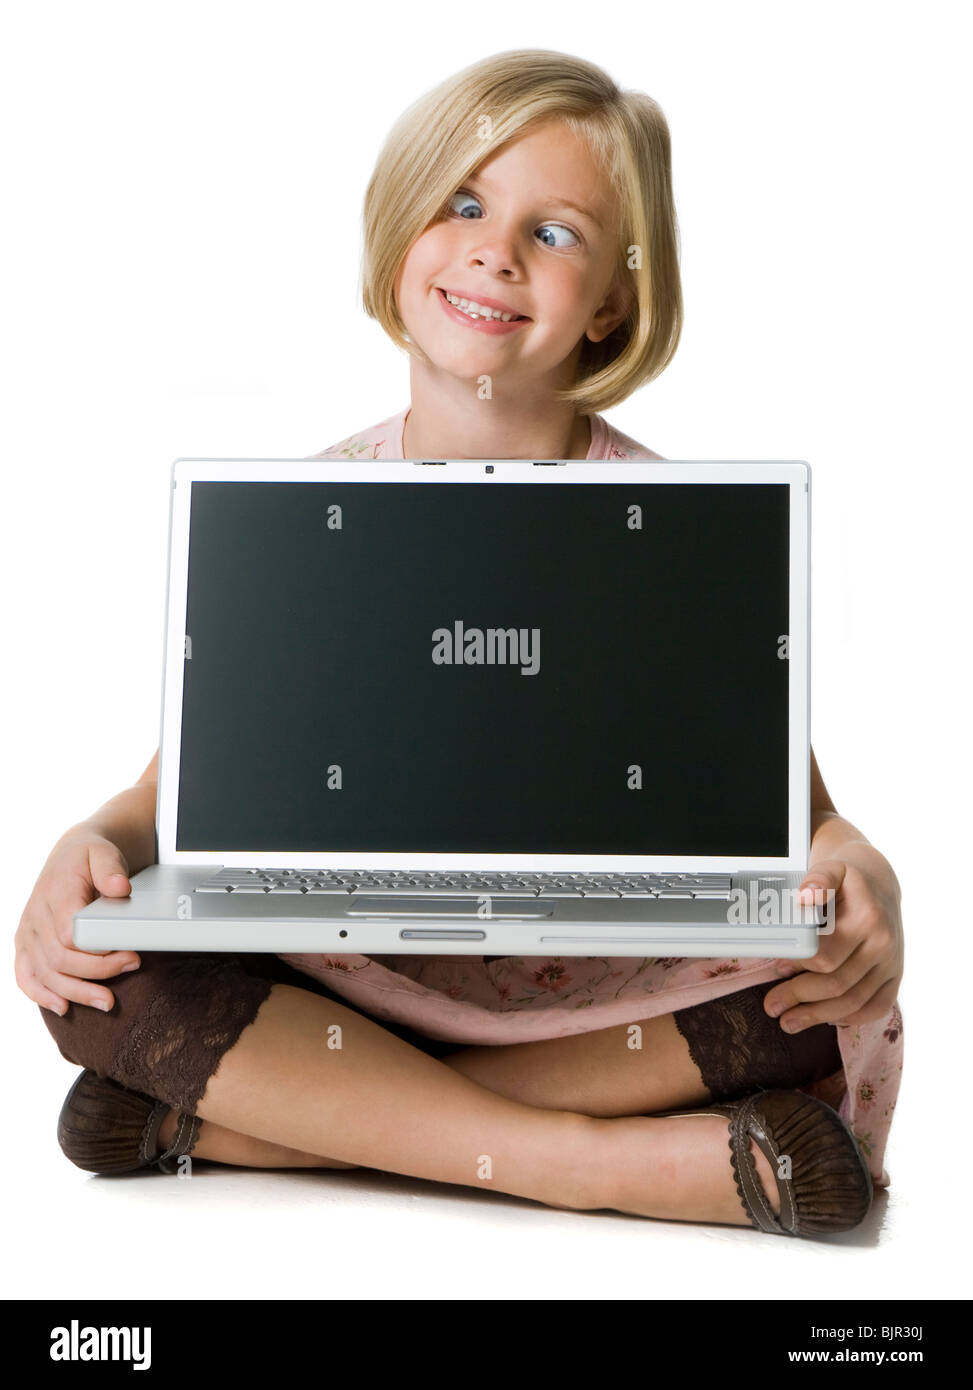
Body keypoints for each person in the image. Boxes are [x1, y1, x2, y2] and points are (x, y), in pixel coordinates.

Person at [15, 49, 903, 1239]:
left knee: (796, 1002)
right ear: (401, 238)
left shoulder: (664, 523)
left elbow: (795, 815)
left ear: (613, 305)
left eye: (557, 231)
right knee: (101, 966)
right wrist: (92, 839)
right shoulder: (316, 506)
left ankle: (269, 1123)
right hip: (352, 983)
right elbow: (186, 795)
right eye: (467, 205)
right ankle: (589, 1163)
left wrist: (862, 865)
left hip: (588, 1003)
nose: (495, 249)